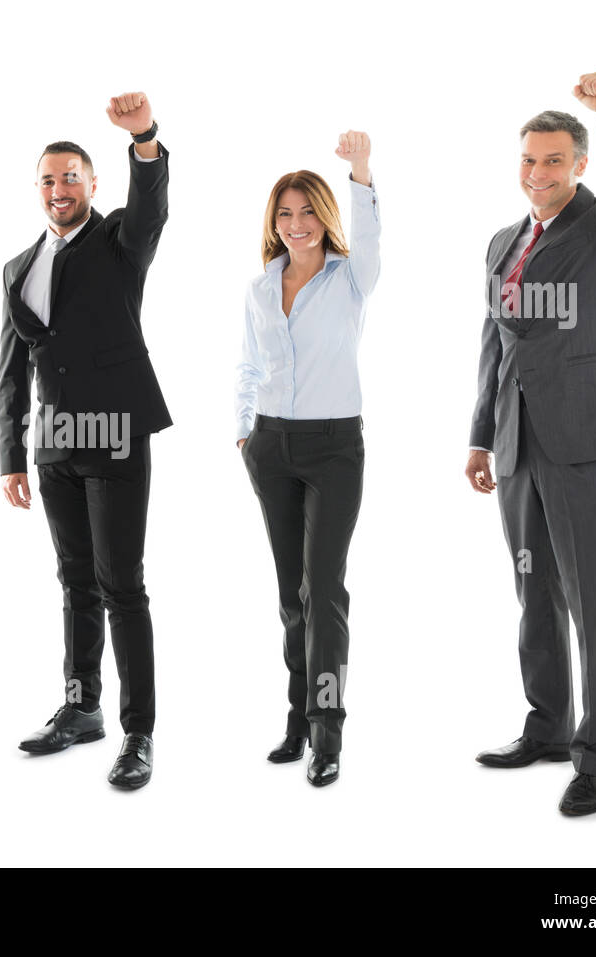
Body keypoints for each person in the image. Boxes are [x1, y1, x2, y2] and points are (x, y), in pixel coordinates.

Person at [466, 70, 596, 816]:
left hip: (587, 436)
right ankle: (547, 725)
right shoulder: (500, 241)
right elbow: (494, 342)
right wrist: (481, 435)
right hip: (517, 440)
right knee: (534, 592)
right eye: (528, 160)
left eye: (553, 160)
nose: (538, 173)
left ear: (580, 164)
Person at [0, 93, 170, 790]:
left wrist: (146, 142)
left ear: (93, 185)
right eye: (48, 178)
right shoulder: (17, 266)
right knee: (74, 581)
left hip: (117, 434)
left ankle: (137, 732)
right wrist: (11, 454)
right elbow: (11, 366)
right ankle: (81, 708)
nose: (59, 188)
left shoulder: (121, 240)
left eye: (71, 176)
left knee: (120, 584)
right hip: (54, 444)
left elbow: (152, 205)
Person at [236, 133, 379, 788]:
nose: (296, 225)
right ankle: (296, 719)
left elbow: (370, 235)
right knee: (291, 597)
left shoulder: (350, 279)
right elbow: (249, 364)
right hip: (271, 447)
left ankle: (328, 730)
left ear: (326, 216)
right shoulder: (261, 287)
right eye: (285, 214)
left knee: (324, 592)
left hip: (333, 449)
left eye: (308, 212)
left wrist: (359, 170)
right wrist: (244, 432)